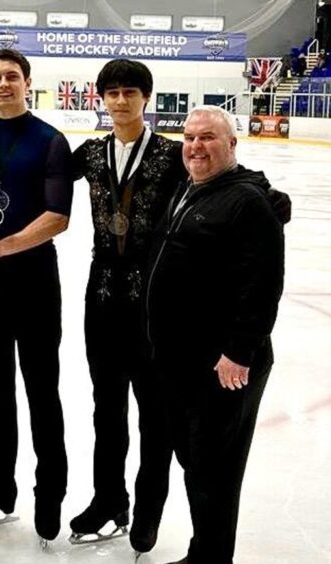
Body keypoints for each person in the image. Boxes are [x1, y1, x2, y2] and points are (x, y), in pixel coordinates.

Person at [146, 106, 285, 564]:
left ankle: (211, 558)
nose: (195, 146)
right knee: (197, 461)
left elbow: (262, 284)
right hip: (183, 358)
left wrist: (239, 352)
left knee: (215, 468)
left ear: (232, 144)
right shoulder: (190, 187)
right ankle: (204, 552)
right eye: (189, 137)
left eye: (207, 137)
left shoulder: (247, 202)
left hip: (223, 363)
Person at [0, 49, 73, 545]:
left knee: (42, 389)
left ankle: (50, 493)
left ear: (27, 81)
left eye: (11, 76)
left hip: (35, 284)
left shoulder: (50, 140)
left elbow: (57, 217)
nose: (3, 84)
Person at [69, 59, 181, 553]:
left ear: (145, 98)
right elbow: (38, 176)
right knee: (106, 407)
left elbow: (223, 171)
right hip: (101, 295)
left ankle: (148, 511)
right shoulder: (92, 153)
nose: (120, 100)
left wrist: (264, 192)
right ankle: (108, 499)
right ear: (102, 99)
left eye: (129, 92)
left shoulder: (172, 153)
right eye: (112, 92)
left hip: (154, 298)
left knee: (155, 413)